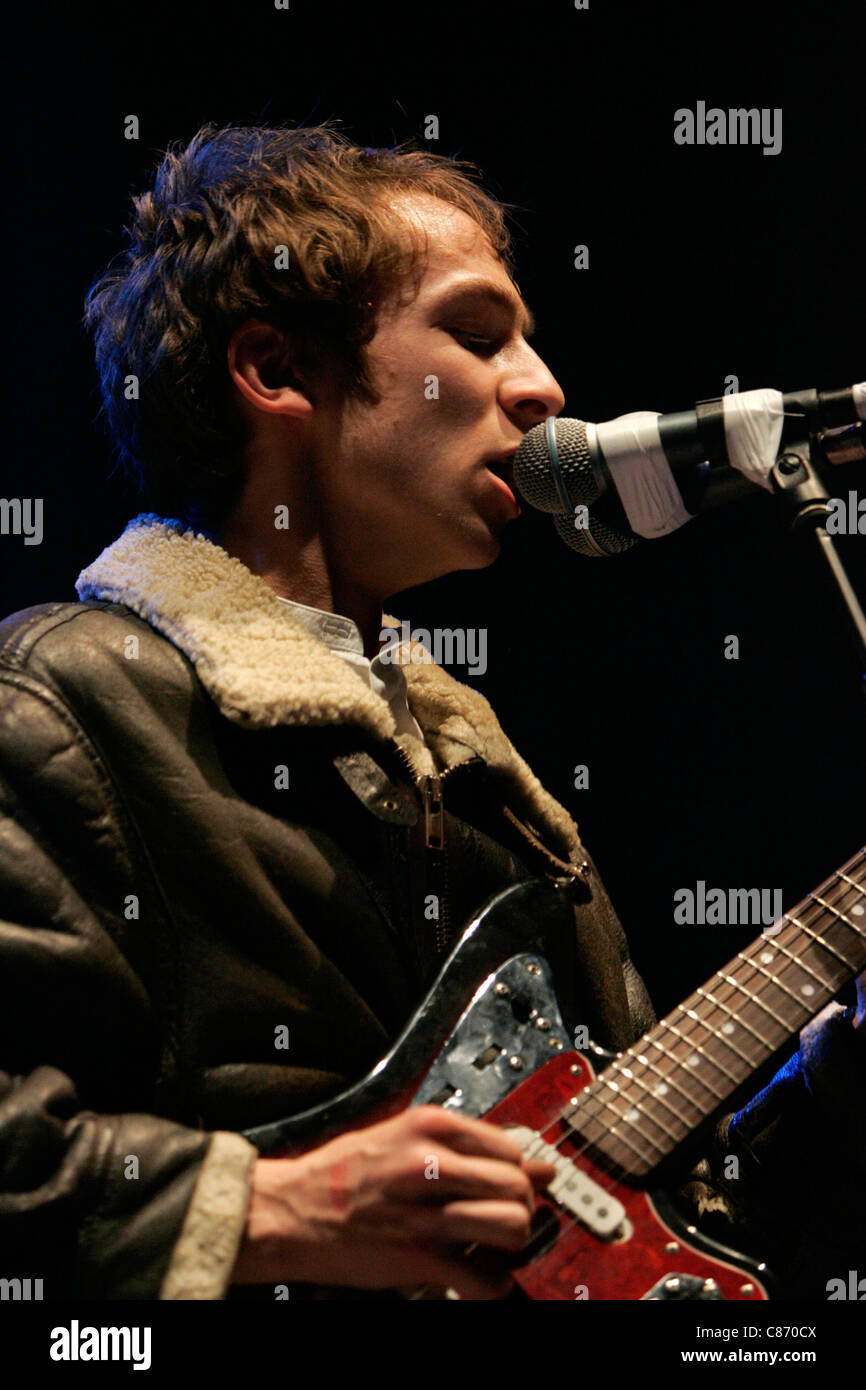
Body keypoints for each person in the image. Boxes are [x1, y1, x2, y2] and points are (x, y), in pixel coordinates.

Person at [0, 124, 863, 1302]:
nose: (543, 387)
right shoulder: (64, 701)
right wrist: (272, 1207)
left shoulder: (496, 799)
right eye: (474, 332)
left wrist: (832, 1087)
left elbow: (656, 1227)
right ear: (275, 369)